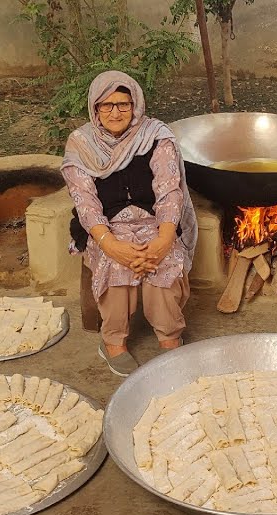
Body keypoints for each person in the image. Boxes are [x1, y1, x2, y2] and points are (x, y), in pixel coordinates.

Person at [61, 70, 197, 377]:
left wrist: (164, 239)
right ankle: (113, 342)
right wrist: (111, 244)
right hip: (105, 226)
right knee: (116, 265)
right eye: (106, 105)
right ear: (94, 108)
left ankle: (170, 336)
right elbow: (85, 201)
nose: (115, 112)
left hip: (154, 221)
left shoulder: (156, 136)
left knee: (164, 261)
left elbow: (169, 190)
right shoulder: (81, 143)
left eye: (123, 104)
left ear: (135, 105)